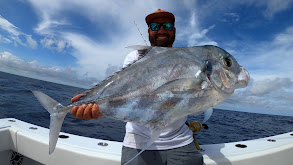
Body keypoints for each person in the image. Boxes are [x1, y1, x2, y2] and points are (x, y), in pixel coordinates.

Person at [71, 9, 203, 165]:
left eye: (167, 25)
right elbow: (123, 93)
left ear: (173, 30)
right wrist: (97, 104)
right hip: (137, 142)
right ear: (148, 31)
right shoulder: (135, 57)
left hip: (180, 142)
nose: (161, 30)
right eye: (155, 26)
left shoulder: (187, 61)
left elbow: (197, 103)